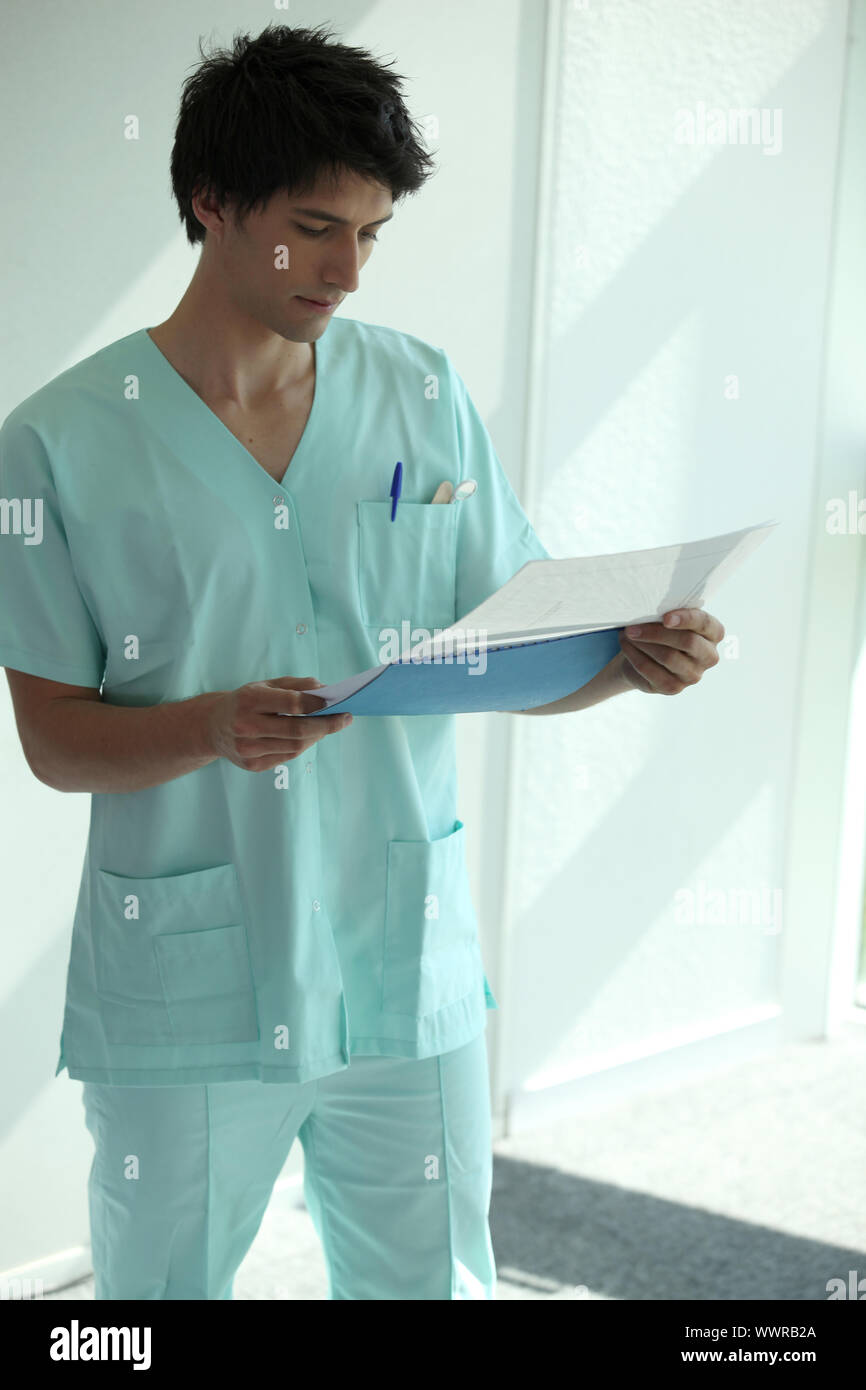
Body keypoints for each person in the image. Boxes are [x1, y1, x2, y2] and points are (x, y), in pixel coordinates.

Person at [0, 22, 724, 1302]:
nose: (348, 269)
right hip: (191, 986)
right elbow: (55, 741)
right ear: (208, 202)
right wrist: (210, 725)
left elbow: (511, 647)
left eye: (372, 232)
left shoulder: (422, 394)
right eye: (316, 226)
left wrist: (630, 660)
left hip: (406, 962)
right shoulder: (57, 445)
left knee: (432, 1291)